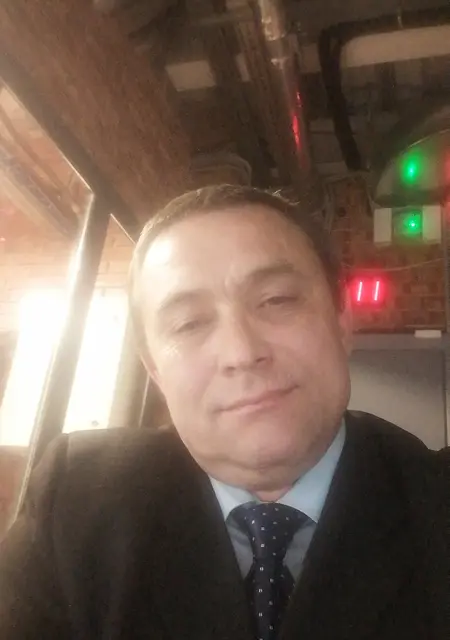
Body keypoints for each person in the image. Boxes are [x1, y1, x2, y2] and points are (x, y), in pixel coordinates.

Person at [0, 185, 448, 639]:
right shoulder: (76, 504)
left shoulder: (436, 502)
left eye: (276, 300)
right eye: (188, 323)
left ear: (342, 321)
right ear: (155, 370)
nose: (241, 352)